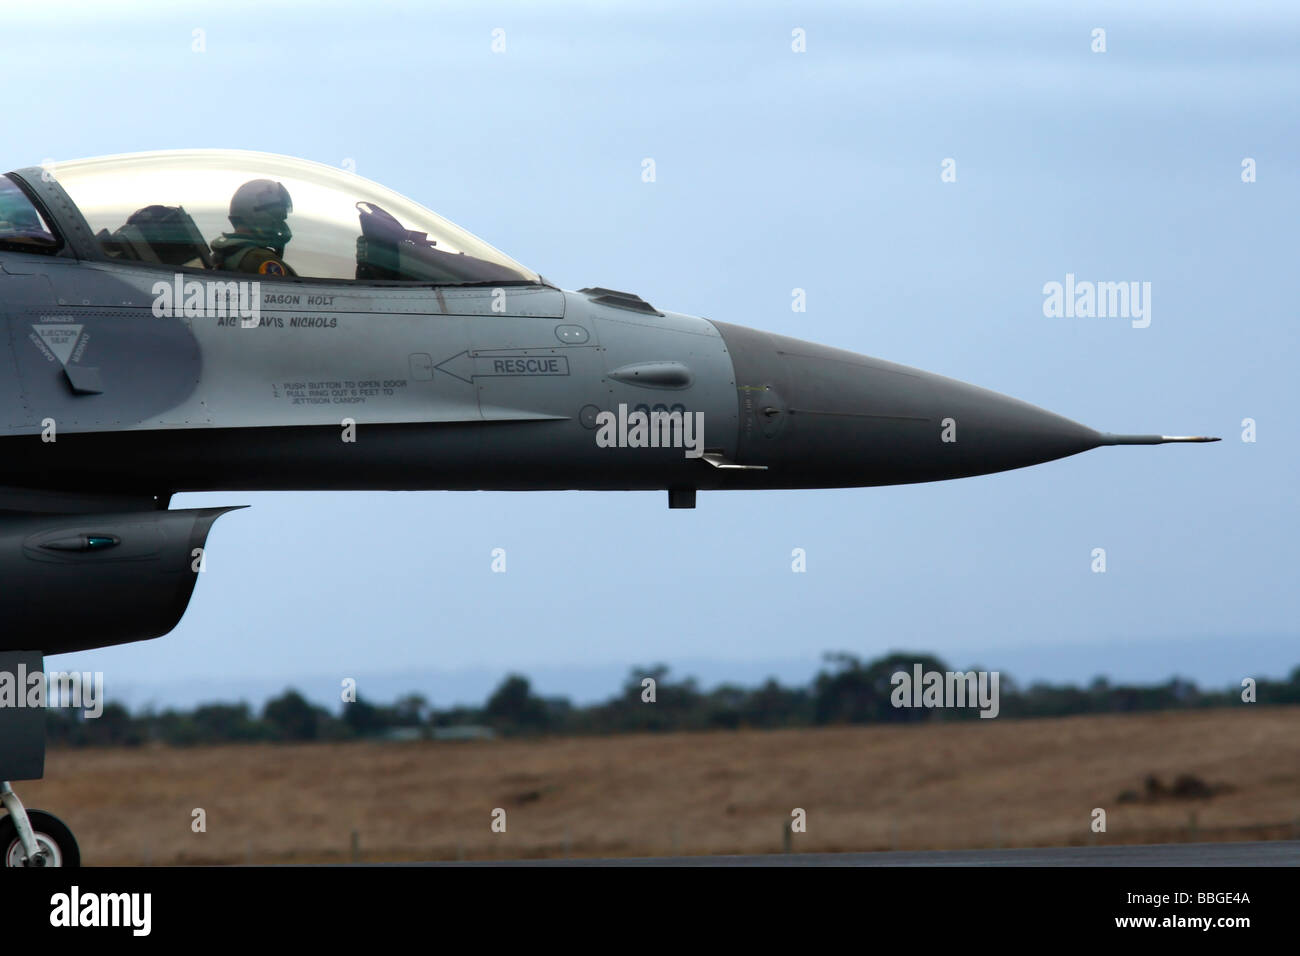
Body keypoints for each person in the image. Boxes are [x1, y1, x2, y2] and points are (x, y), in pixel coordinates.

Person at [210, 179, 297, 276]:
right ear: (258, 217)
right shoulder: (260, 260)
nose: (281, 224)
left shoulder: (225, 254)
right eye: (277, 216)